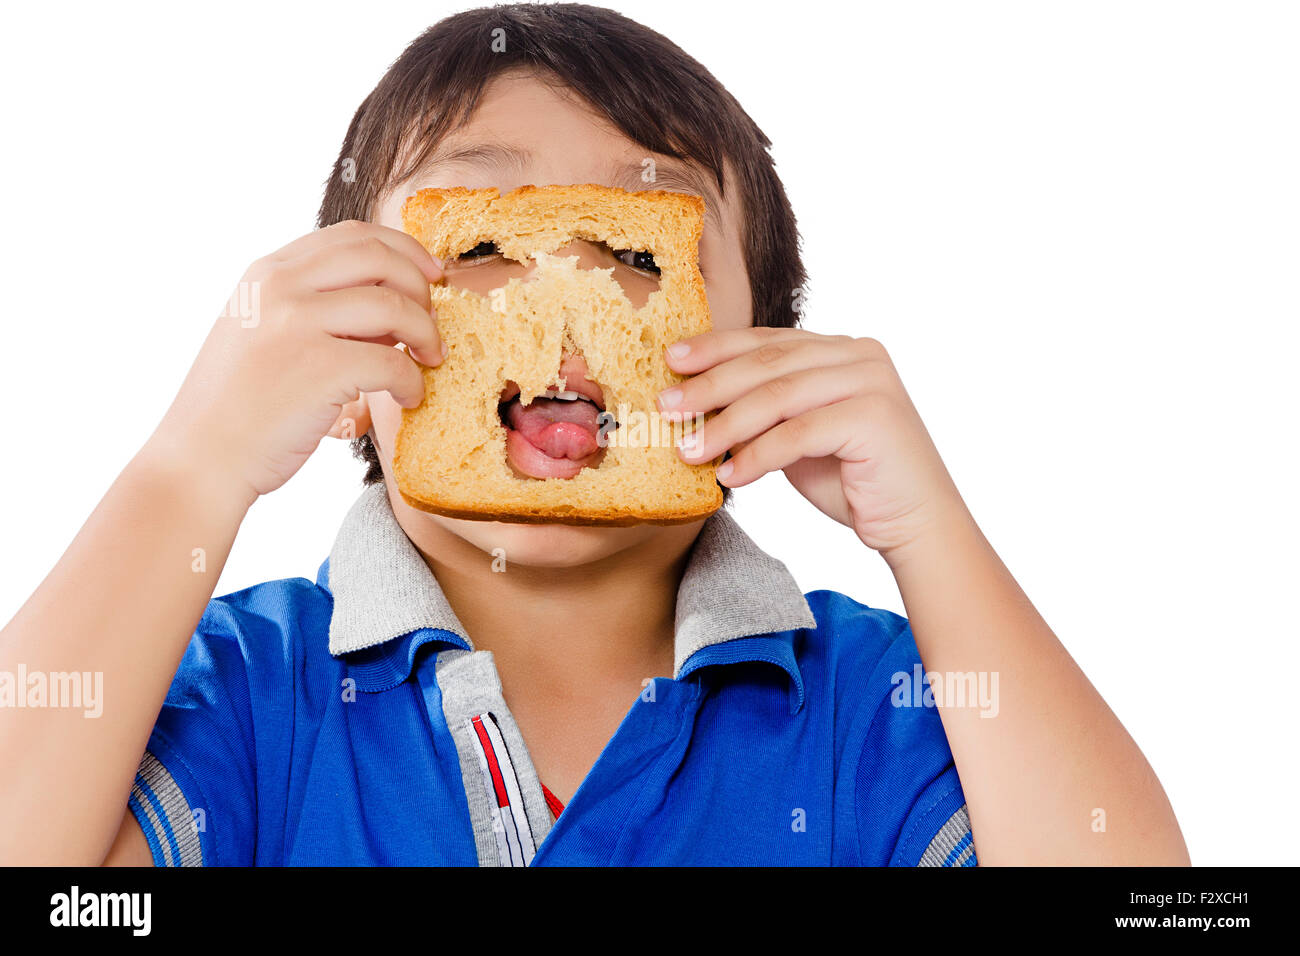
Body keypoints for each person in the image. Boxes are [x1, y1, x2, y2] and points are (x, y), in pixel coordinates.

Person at [0, 3, 1189, 866]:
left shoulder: (879, 702)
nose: (561, 302)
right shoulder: (244, 692)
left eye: (636, 254)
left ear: (765, 346)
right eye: (480, 243)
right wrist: (187, 469)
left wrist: (929, 533)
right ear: (351, 340)